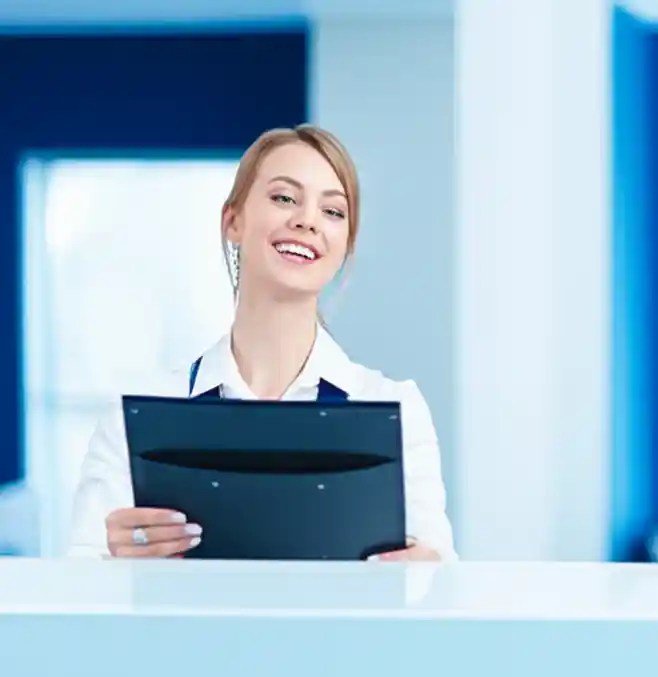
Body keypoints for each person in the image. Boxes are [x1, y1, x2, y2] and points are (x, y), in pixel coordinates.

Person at [67, 124, 455, 561]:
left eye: (333, 211)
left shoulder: (398, 408)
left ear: (345, 244)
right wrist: (116, 565)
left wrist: (427, 574)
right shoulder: (132, 416)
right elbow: (79, 580)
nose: (307, 220)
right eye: (284, 198)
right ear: (233, 221)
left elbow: (438, 574)